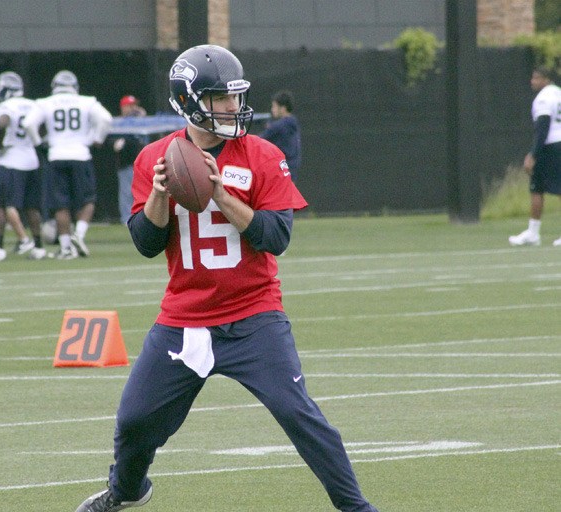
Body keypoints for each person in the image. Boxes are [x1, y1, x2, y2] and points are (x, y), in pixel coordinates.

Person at [75, 45, 379, 512]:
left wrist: (219, 194)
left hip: (254, 314)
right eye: (220, 97)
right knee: (134, 421)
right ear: (189, 100)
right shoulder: (156, 158)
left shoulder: (263, 155)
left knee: (299, 415)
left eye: (236, 96)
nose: (233, 106)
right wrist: (160, 194)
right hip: (185, 317)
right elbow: (146, 243)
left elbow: (276, 237)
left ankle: (357, 508)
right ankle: (126, 490)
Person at [23, 70, 112, 259]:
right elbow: (106, 119)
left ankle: (65, 248)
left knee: (60, 204)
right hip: (81, 154)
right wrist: (96, 139)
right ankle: (78, 234)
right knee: (87, 200)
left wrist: (39, 144)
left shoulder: (45, 102)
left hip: (56, 154)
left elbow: (29, 123)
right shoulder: (86, 101)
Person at [0, 71, 47, 260]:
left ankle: (2, 244)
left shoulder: (7, 106)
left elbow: (2, 122)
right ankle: (38, 245)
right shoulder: (33, 104)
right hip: (31, 159)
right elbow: (42, 127)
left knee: (2, 204)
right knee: (32, 207)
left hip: (11, 159)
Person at [509, 67, 561, 247]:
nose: (533, 81)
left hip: (551, 146)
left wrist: (533, 154)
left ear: (546, 79)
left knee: (543, 188)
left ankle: (533, 233)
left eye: (537, 78)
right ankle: (532, 233)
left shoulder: (544, 98)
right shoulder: (558, 93)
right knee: (537, 188)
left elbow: (543, 127)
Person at [112, 95, 148, 224]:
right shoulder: (119, 122)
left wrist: (141, 114)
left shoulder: (138, 119)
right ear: (123, 107)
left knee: (142, 191)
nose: (133, 108)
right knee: (126, 192)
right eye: (130, 105)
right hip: (125, 162)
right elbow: (114, 142)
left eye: (134, 105)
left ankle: (141, 217)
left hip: (141, 163)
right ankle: (126, 219)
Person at [260, 89, 301, 182]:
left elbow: (257, 141)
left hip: (281, 174)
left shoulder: (279, 126)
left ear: (283, 108)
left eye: (274, 106)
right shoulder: (292, 122)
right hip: (290, 174)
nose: (272, 109)